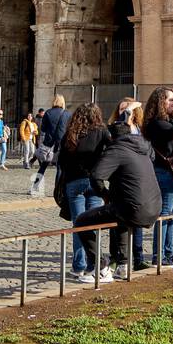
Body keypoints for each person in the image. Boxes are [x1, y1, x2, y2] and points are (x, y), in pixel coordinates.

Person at [74, 118, 162, 283]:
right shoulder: (142, 148)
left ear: (111, 138)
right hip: (154, 208)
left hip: (134, 208)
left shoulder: (116, 149)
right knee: (120, 215)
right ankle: (123, 265)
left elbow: (96, 176)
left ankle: (100, 268)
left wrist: (104, 194)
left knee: (81, 221)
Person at [57, 103, 111, 281]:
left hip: (74, 183)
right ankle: (93, 265)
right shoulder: (102, 132)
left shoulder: (70, 134)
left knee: (79, 225)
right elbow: (112, 151)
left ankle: (78, 266)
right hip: (95, 183)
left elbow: (62, 161)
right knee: (93, 225)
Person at [142, 86, 173, 267]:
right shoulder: (157, 123)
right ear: (160, 102)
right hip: (164, 172)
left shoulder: (170, 120)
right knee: (164, 214)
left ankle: (170, 252)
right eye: (170, 100)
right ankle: (158, 255)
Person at [108, 100, 151, 270]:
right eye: (122, 109)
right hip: (119, 180)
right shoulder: (115, 127)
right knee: (117, 222)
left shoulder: (141, 130)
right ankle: (116, 257)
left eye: (128, 109)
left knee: (137, 220)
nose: (125, 111)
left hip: (137, 180)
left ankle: (138, 258)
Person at [32, 95, 70, 192]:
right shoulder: (67, 114)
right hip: (61, 144)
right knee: (60, 168)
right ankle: (58, 190)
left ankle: (35, 187)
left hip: (49, 144)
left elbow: (43, 129)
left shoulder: (48, 113)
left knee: (43, 167)